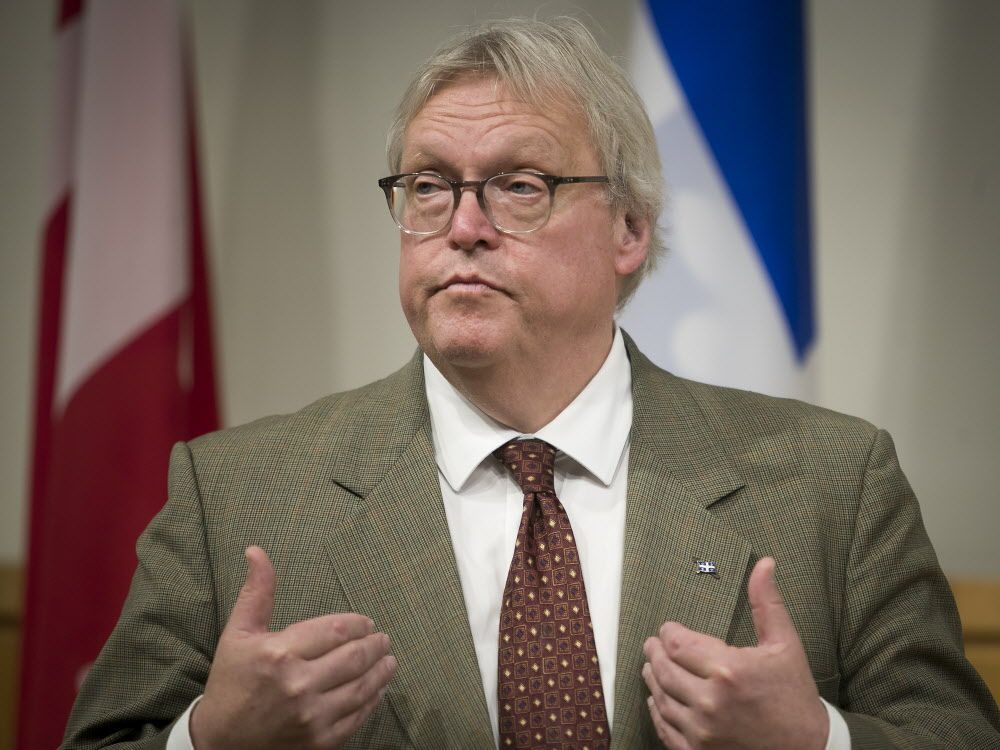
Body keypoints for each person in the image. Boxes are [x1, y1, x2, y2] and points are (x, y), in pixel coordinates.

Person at [62, 17, 1000, 750]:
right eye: (427, 186)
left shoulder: (834, 482)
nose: (462, 224)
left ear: (629, 229)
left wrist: (816, 740)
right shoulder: (236, 496)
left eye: (518, 185)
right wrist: (210, 740)